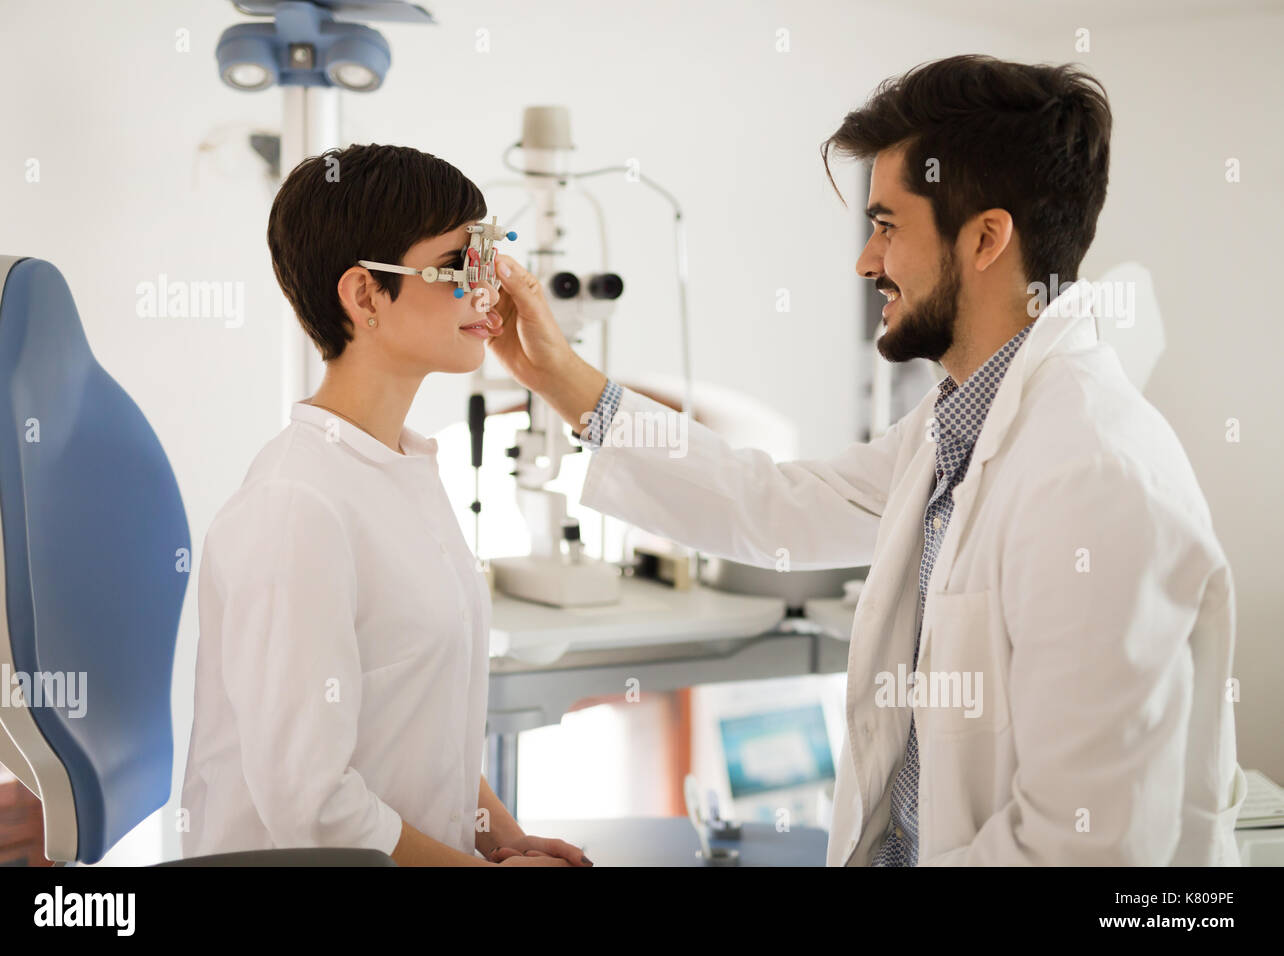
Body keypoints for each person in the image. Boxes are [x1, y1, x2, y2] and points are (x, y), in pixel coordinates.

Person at [483, 55, 1246, 866]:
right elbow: (775, 505)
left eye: (887, 227)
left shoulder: (1097, 478)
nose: (865, 262)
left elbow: (1085, 851)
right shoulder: (960, 423)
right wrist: (556, 379)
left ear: (986, 237)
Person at [180, 143, 589, 867]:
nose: (488, 291)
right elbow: (314, 807)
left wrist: (505, 839)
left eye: (491, 259)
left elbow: (425, 733)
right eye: (463, 266)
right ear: (365, 295)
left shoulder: (407, 466)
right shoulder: (294, 505)